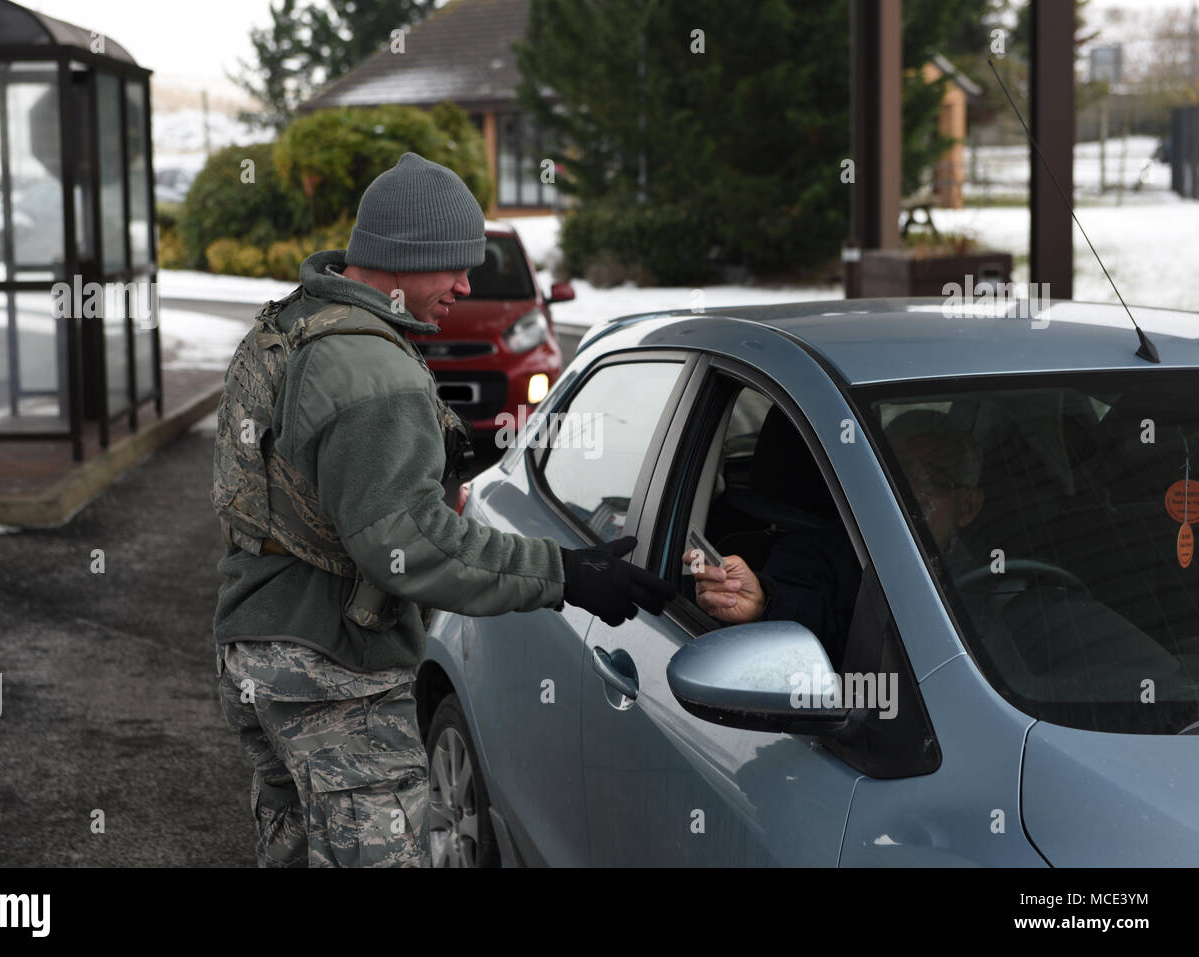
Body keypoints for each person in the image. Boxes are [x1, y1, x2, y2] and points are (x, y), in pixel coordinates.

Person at [213, 151, 674, 868]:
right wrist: (565, 573)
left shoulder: (296, 323)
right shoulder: (376, 374)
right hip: (336, 672)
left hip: (259, 651)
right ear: (402, 258)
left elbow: (292, 488)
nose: (466, 283)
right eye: (452, 265)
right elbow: (410, 544)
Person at [683, 408, 984, 661]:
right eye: (895, 478)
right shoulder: (817, 554)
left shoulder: (1001, 575)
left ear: (968, 506)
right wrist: (765, 604)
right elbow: (814, 624)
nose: (909, 496)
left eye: (933, 481)